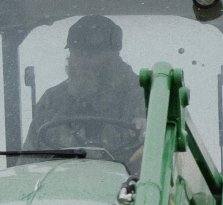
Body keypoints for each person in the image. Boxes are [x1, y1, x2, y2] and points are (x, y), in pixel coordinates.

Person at [25, 14, 147, 170]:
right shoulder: (51, 101)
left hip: (132, 191)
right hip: (59, 191)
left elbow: (173, 162)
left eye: (93, 53)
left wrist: (151, 133)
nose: (83, 59)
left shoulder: (149, 98)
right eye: (77, 51)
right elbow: (27, 167)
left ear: (115, 54)